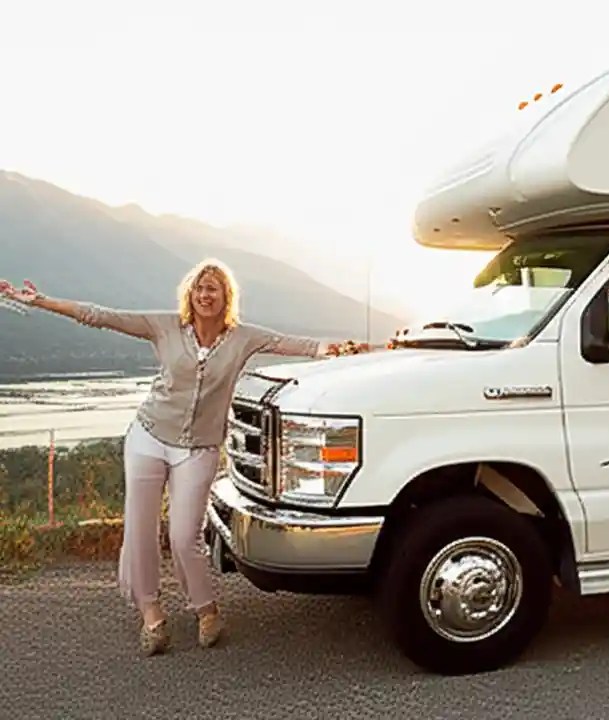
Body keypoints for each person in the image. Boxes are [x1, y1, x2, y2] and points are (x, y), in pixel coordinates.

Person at [0, 260, 371, 656]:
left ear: (226, 297)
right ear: (190, 295)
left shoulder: (242, 338)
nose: (205, 295)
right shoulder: (165, 327)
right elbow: (100, 316)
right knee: (140, 532)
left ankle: (206, 608)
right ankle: (151, 615)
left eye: (214, 289)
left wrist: (345, 350)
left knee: (183, 536)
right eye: (199, 288)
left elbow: (297, 345)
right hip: (148, 436)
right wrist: (40, 301)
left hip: (199, 448)